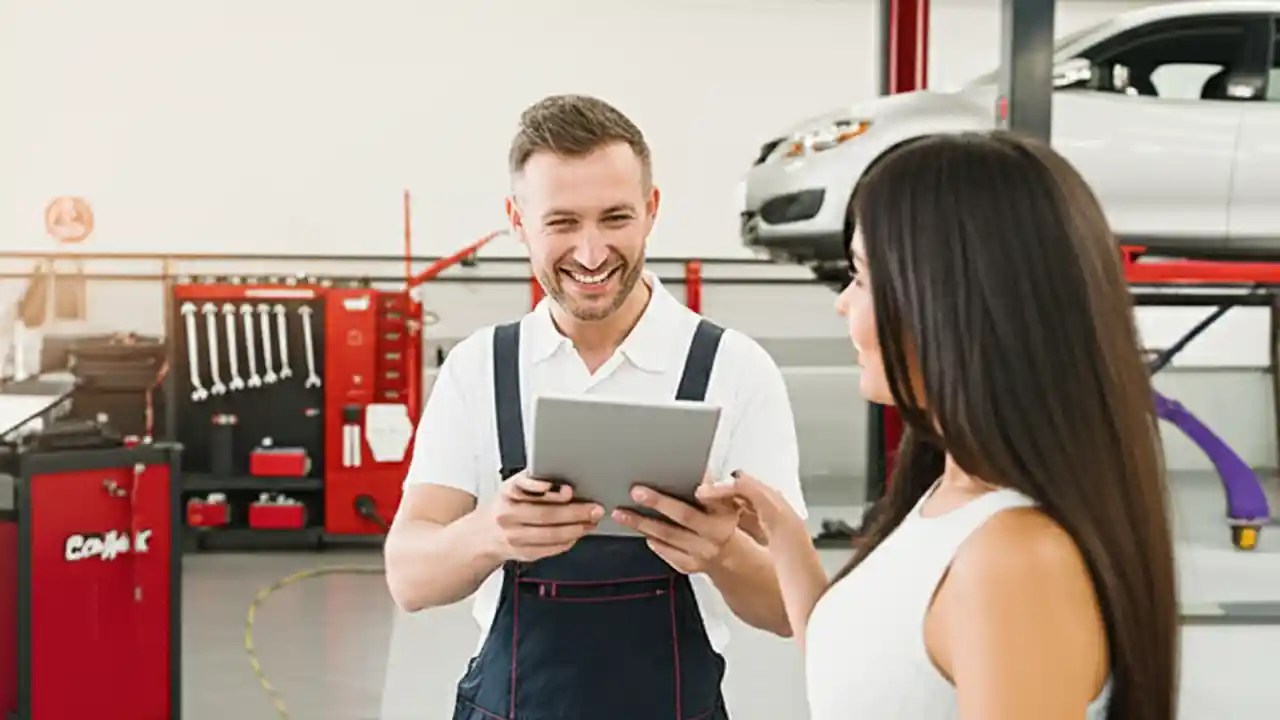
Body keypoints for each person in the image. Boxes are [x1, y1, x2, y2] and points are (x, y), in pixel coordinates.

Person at [701, 132, 1179, 719]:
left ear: (947, 301)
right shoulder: (951, 495)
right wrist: (781, 536)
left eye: (861, 276)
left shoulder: (1014, 561)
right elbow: (874, 677)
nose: (842, 303)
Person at [384, 93, 808, 720]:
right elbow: (409, 581)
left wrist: (721, 552)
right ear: (517, 219)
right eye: (561, 223)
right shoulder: (479, 370)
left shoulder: (734, 370)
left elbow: (789, 609)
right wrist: (489, 533)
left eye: (615, 219)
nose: (590, 254)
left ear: (651, 209)